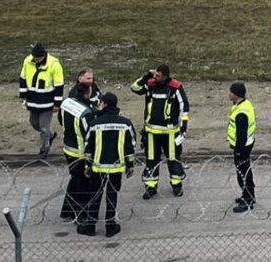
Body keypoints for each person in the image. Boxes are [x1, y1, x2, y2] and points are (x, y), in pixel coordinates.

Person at [79, 92, 135, 237]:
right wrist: (130, 165)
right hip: (116, 167)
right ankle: (110, 226)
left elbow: (88, 147)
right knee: (112, 195)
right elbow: (130, 146)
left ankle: (90, 226)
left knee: (95, 196)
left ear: (104, 104)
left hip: (97, 167)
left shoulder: (94, 124)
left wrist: (87, 166)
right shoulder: (126, 123)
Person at [131, 64, 189, 198]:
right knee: (151, 159)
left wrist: (183, 127)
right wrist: (146, 76)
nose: (155, 77)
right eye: (154, 74)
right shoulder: (150, 83)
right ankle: (151, 187)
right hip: (152, 132)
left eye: (158, 75)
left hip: (171, 132)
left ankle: (176, 185)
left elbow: (184, 107)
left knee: (173, 159)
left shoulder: (175, 87)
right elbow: (134, 88)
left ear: (165, 76)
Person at [18, 43, 64, 158]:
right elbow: (23, 78)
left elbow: (59, 85)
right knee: (34, 123)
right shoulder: (28, 61)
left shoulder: (54, 65)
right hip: (33, 101)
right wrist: (23, 95)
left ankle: (44, 150)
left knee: (44, 128)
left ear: (44, 55)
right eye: (35, 58)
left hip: (47, 103)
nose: (36, 60)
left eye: (38, 58)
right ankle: (50, 135)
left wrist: (57, 104)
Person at [58, 81, 96, 222]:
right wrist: (89, 160)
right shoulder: (86, 113)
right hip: (80, 153)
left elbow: (61, 120)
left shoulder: (67, 103)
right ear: (87, 93)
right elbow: (89, 135)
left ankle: (67, 210)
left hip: (68, 148)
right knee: (83, 184)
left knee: (74, 180)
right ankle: (80, 214)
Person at [227, 82, 257, 212]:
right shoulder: (244, 104)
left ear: (235, 94)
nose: (228, 94)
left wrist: (238, 150)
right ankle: (248, 195)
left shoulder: (241, 112)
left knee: (243, 173)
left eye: (230, 92)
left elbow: (241, 134)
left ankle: (248, 199)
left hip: (242, 147)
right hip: (246, 144)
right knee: (244, 171)